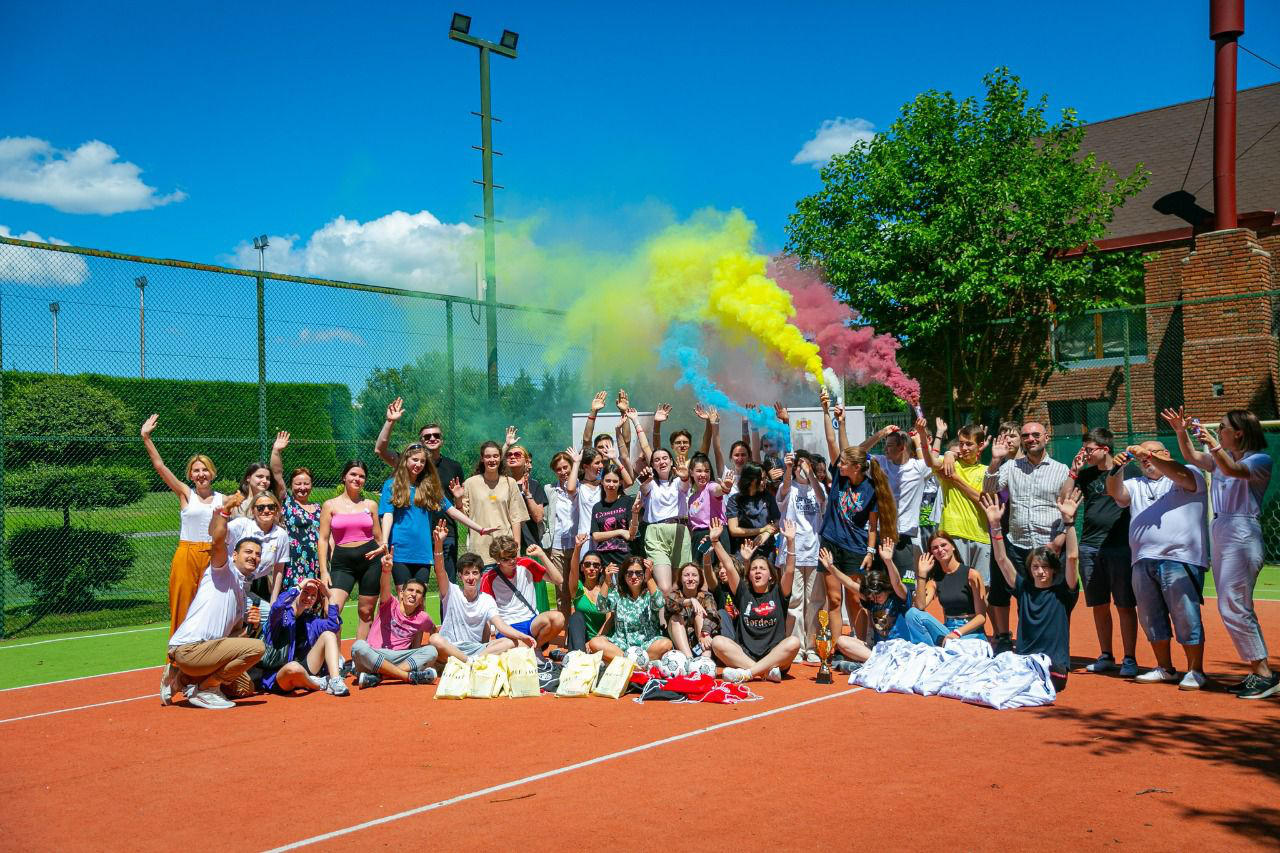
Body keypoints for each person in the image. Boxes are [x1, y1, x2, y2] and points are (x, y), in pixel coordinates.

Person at [1166, 407, 1276, 699]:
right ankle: (1258, 671)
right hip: (1223, 530)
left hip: (1242, 531)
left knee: (1234, 605)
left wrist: (1213, 444)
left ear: (1238, 433)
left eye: (1223, 427)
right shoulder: (1221, 458)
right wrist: (1181, 432)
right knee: (1232, 605)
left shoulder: (1259, 460)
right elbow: (1192, 456)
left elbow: (1233, 470)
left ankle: (1264, 673)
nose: (1219, 431)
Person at [1105, 440, 1209, 690]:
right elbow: (1115, 492)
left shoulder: (1187, 472)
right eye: (1143, 457)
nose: (1146, 459)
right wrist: (1116, 469)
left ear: (1166, 453)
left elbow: (1182, 476)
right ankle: (1165, 668)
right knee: (1151, 618)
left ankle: (1195, 670)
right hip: (1142, 559)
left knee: (1186, 616)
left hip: (1180, 558)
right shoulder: (1136, 484)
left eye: (1152, 454)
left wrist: (1149, 454)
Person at [982, 421, 1069, 654]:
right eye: (1026, 436)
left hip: (1048, 548)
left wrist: (1059, 540)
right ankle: (1024, 645)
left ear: (1046, 437)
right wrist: (995, 461)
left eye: (1036, 435)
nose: (1031, 439)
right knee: (1023, 598)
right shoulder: (1011, 467)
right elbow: (989, 489)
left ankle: (1051, 646)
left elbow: (1069, 506)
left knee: (1051, 599)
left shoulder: (1061, 469)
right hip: (1018, 546)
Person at [818, 389, 896, 642]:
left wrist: (870, 552)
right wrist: (827, 413)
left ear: (857, 467)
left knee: (855, 597)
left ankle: (860, 644)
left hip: (856, 548)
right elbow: (833, 442)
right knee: (834, 599)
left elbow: (873, 526)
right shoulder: (840, 479)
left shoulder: (871, 488)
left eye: (844, 463)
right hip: (830, 542)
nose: (839, 465)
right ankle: (835, 647)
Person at [983, 491, 1081, 690]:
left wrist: (1069, 523)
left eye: (1045, 567)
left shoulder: (1064, 594)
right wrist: (995, 526)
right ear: (1030, 569)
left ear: (1053, 570)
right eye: (1036, 567)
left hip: (1053, 668)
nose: (1040, 572)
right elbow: (1002, 560)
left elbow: (1072, 558)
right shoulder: (1023, 589)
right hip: (1023, 664)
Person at [139, 414, 225, 639]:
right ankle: (176, 657)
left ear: (213, 473)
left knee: (210, 608)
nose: (201, 474)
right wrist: (146, 437)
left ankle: (207, 655)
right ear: (190, 475)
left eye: (205, 469)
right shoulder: (186, 494)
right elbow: (160, 467)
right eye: (196, 470)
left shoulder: (223, 500)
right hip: (187, 555)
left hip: (214, 556)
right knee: (182, 607)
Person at [161, 533, 265, 710]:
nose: (253, 557)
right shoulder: (223, 571)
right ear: (234, 555)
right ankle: (206, 689)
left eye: (258, 554)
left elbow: (234, 637)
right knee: (257, 648)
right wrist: (222, 518)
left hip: (208, 651)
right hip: (191, 649)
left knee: (245, 688)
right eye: (248, 552)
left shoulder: (241, 592)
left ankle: (180, 680)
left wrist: (252, 627)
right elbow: (217, 543)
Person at [378, 441, 495, 598]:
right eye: (415, 460)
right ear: (405, 459)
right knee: (404, 597)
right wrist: (384, 541)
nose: (418, 464)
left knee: (420, 598)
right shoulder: (391, 485)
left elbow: (452, 511)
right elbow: (388, 514)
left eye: (422, 461)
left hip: (423, 552)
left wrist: (479, 528)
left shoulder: (429, 487)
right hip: (399, 550)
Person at [1068, 428, 1139, 678]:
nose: (1085, 454)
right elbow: (1065, 498)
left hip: (1120, 546)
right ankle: (1106, 655)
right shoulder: (1085, 475)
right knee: (1099, 605)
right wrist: (1073, 471)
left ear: (1104, 449)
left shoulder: (1129, 471)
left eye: (1089, 450)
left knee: (1125, 604)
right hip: (1089, 546)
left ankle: (1130, 658)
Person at [374, 399, 465, 583]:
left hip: (444, 533)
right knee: (410, 588)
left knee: (449, 586)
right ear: (421, 441)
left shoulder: (453, 466)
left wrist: (459, 501)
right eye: (427, 436)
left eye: (436, 435)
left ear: (442, 439)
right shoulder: (408, 462)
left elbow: (457, 507)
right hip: (413, 538)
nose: (432, 438)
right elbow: (380, 449)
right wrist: (390, 422)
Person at [708, 519, 801, 683]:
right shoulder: (743, 593)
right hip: (747, 656)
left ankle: (748, 674)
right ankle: (764, 673)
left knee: (793, 642)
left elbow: (789, 571)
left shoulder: (779, 593)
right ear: (749, 575)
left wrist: (791, 542)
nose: (757, 571)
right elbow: (729, 565)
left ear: (771, 575)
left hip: (774, 656)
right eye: (754, 569)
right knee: (717, 642)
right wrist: (715, 541)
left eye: (762, 568)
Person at [821, 539, 931, 664]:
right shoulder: (871, 599)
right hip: (880, 652)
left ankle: (876, 663)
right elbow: (849, 583)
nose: (875, 599)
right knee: (841, 641)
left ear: (885, 588)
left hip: (902, 650)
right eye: (871, 596)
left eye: (878, 595)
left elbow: (897, 582)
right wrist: (831, 568)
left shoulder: (899, 597)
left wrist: (888, 561)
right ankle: (878, 662)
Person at [350, 546, 445, 689]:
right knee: (358, 646)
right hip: (376, 654)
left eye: (418, 592)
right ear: (401, 594)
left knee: (431, 651)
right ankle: (408, 676)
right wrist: (386, 571)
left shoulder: (422, 617)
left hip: (400, 657)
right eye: (410, 590)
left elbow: (434, 631)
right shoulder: (389, 603)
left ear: (421, 600)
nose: (413, 594)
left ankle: (379, 677)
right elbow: (385, 587)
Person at [861, 418, 931, 599]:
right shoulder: (880, 463)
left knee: (904, 591)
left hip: (904, 538)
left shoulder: (919, 467)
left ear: (902, 448)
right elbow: (857, 453)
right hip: (881, 536)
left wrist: (921, 437)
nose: (885, 449)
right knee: (877, 590)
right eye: (885, 445)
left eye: (890, 446)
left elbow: (933, 459)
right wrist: (880, 434)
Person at [436, 534, 534, 663]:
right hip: (451, 648)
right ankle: (471, 662)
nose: (471, 578)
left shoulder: (487, 600)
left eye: (475, 573)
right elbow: (440, 570)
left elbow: (500, 625)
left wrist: (522, 636)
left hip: (476, 649)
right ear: (460, 576)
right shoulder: (451, 592)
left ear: (481, 575)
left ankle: (471, 662)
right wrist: (439, 544)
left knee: (512, 642)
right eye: (466, 573)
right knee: (435, 639)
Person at [920, 424, 991, 602]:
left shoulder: (986, 471)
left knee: (982, 589)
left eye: (969, 444)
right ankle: (957, 620)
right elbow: (929, 461)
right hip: (954, 534)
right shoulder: (949, 464)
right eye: (961, 444)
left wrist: (956, 480)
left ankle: (978, 620)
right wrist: (922, 435)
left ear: (980, 446)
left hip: (981, 536)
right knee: (956, 587)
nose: (964, 448)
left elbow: (984, 500)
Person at [318, 460, 386, 641]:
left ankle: (359, 654)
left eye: (361, 476)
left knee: (366, 612)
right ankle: (335, 654)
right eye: (353, 474)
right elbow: (323, 539)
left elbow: (379, 538)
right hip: (342, 563)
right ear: (344, 477)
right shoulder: (330, 505)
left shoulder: (371, 504)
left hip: (371, 561)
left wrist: (386, 559)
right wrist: (324, 571)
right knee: (331, 610)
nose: (357, 479)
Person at [258, 577, 348, 696]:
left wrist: (330, 597)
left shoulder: (311, 620)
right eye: (305, 592)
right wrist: (300, 586)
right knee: (293, 668)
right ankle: (317, 684)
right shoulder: (281, 616)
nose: (309, 598)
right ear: (298, 592)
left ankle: (335, 680)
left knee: (329, 635)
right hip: (280, 674)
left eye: (313, 595)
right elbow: (277, 606)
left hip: (305, 667)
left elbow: (333, 626)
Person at [776, 450, 826, 664]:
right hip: (792, 552)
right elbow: (784, 489)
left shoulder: (818, 487)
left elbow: (822, 499)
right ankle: (796, 646)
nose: (802, 469)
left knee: (814, 601)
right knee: (795, 600)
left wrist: (811, 474)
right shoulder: (788, 487)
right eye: (799, 465)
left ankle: (813, 646)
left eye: (806, 465)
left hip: (814, 552)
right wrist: (788, 469)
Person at [480, 535, 566, 655]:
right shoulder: (489, 578)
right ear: (497, 560)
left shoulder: (526, 564)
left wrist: (542, 555)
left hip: (532, 622)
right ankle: (531, 650)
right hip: (508, 627)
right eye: (506, 559)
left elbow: (558, 580)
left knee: (558, 618)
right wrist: (485, 642)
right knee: (512, 649)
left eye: (513, 556)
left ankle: (535, 649)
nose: (512, 561)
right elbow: (485, 611)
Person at [268, 430, 322, 599]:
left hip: (315, 562)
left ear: (311, 485)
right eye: (298, 484)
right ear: (291, 485)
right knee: (291, 603)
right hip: (291, 562)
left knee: (313, 602)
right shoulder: (287, 502)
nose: (302, 488)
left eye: (306, 483)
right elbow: (277, 475)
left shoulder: (319, 508)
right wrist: (276, 451)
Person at [209, 491, 291, 600]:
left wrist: (273, 601)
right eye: (261, 508)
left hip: (246, 588)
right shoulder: (242, 525)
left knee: (267, 611)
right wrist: (217, 517)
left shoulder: (281, 535)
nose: (266, 510)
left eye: (271, 507)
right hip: (225, 581)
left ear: (276, 510)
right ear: (253, 510)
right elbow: (214, 534)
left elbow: (279, 570)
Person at [911, 532, 989, 645]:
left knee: (953, 645)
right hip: (947, 629)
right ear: (932, 553)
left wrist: (957, 633)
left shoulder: (972, 575)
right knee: (912, 613)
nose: (940, 550)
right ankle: (929, 649)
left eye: (943, 545)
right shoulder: (934, 581)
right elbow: (920, 606)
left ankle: (943, 647)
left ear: (953, 546)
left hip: (970, 631)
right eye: (935, 548)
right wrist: (922, 574)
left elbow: (981, 617)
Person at [591, 555, 672, 663]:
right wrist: (607, 581)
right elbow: (601, 608)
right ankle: (635, 663)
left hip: (647, 644)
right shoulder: (618, 593)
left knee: (666, 644)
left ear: (644, 574)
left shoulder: (650, 592)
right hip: (621, 645)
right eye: (629, 573)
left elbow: (659, 603)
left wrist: (649, 578)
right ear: (624, 575)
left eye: (639, 573)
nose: (634, 576)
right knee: (595, 643)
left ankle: (628, 663)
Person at [462, 441, 530, 563]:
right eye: (488, 456)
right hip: (479, 548)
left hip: (505, 548)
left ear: (500, 458)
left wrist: (517, 548)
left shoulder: (510, 483)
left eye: (495, 456)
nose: (492, 460)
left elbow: (516, 518)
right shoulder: (470, 483)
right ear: (482, 459)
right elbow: (462, 516)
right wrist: (458, 499)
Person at [640, 447, 692, 594]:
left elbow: (685, 486)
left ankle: (674, 610)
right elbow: (644, 488)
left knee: (678, 586)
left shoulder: (678, 481)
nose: (661, 462)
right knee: (664, 587)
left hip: (680, 531)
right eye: (657, 460)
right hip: (656, 533)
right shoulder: (650, 482)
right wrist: (645, 480)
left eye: (665, 458)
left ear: (671, 461)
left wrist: (685, 477)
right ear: (652, 465)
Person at [501, 427, 548, 554]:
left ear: (527, 461)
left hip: (529, 544)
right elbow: (493, 463)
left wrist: (527, 494)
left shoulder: (534, 485)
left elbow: (538, 517)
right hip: (504, 544)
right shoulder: (501, 483)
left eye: (517, 455)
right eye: (509, 455)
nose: (512, 457)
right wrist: (507, 445)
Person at [565, 534, 614, 652]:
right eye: (587, 565)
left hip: (602, 640)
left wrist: (595, 641)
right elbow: (573, 571)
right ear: (582, 568)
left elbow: (609, 620)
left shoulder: (607, 588)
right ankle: (579, 655)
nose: (591, 568)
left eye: (596, 565)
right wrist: (577, 548)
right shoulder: (577, 589)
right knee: (576, 617)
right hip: (581, 641)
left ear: (601, 569)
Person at [665, 558, 720, 662]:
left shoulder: (706, 596)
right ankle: (689, 660)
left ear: (700, 579)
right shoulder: (673, 595)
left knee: (700, 615)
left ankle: (705, 660)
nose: (690, 579)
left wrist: (705, 632)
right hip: (680, 646)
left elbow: (713, 614)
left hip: (701, 642)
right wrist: (690, 601)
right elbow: (670, 605)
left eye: (694, 575)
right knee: (675, 618)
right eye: (686, 575)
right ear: (680, 579)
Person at [726, 463, 781, 562]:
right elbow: (734, 530)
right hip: (743, 551)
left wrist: (767, 533)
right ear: (751, 480)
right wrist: (761, 530)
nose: (765, 481)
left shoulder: (768, 496)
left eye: (765, 478)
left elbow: (778, 522)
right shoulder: (735, 500)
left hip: (766, 551)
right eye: (762, 479)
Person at [590, 466, 640, 568]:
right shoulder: (597, 507)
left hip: (626, 560)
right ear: (602, 482)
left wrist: (635, 514)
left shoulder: (628, 502)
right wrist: (620, 531)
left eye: (615, 481)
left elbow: (631, 534)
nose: (611, 484)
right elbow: (596, 536)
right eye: (608, 481)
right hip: (605, 561)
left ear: (620, 482)